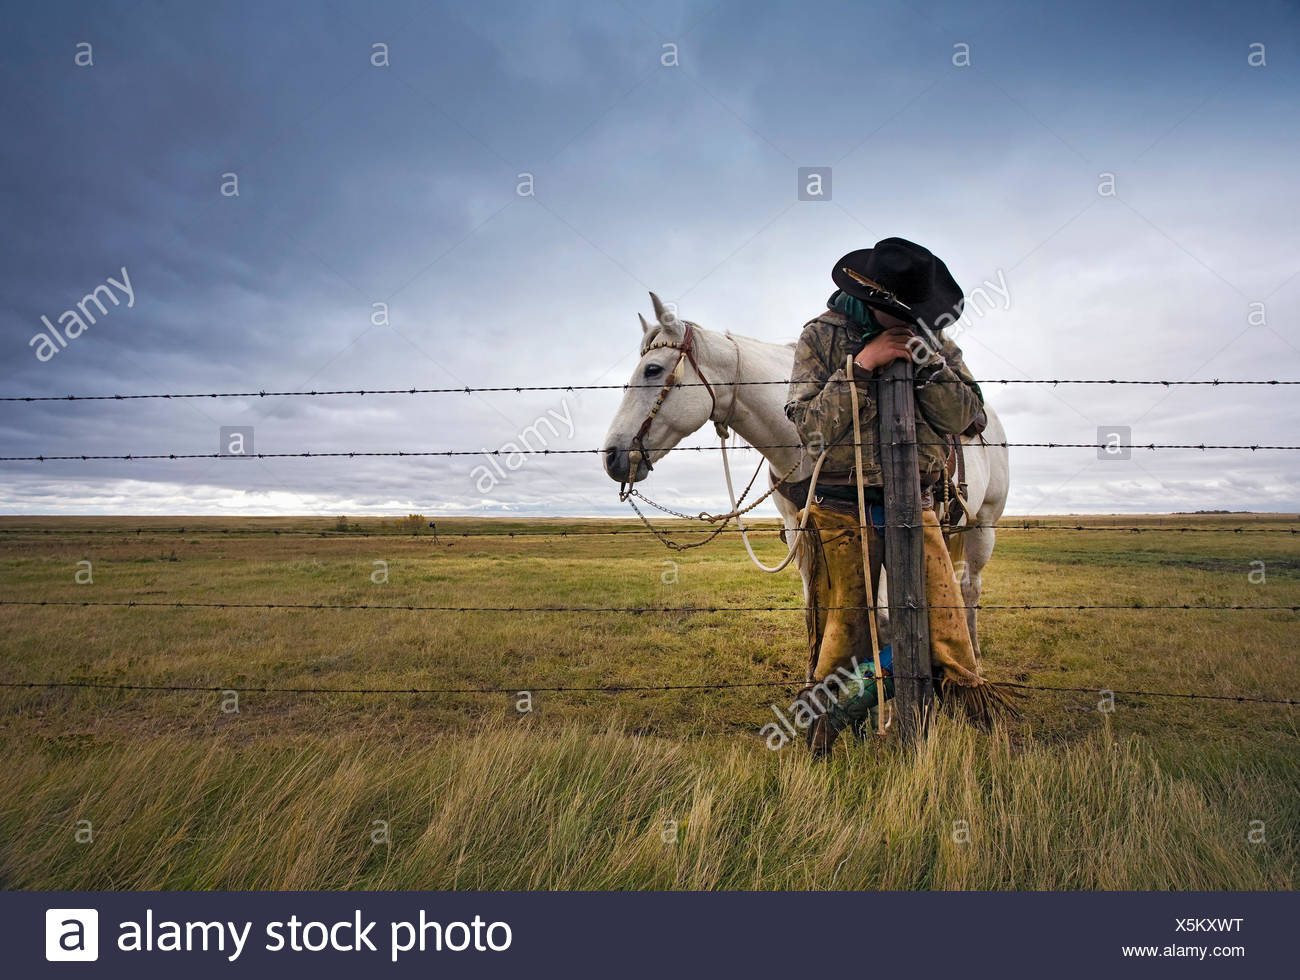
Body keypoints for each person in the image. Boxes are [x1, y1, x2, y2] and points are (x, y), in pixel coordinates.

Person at [784, 237, 1011, 757]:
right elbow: (809, 429)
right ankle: (825, 733)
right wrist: (860, 367)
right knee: (846, 627)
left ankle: (927, 724)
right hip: (842, 504)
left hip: (920, 505)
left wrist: (927, 365)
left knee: (941, 624)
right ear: (876, 302)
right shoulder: (820, 336)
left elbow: (966, 417)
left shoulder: (932, 339)